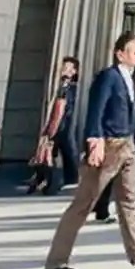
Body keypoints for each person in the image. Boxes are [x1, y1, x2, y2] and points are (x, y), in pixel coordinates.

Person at [45, 33, 135, 269]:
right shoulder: (109, 77)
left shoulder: (131, 79)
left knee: (130, 203)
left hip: (128, 144)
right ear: (120, 53)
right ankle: (56, 261)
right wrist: (95, 139)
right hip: (109, 145)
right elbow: (97, 108)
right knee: (84, 203)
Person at [94, 74, 135, 223]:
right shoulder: (122, 94)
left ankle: (125, 207)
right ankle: (101, 208)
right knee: (110, 174)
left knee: (132, 175)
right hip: (120, 138)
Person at [28, 56, 80, 195]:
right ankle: (43, 180)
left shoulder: (72, 88)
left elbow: (65, 108)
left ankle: (65, 180)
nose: (65, 70)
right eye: (64, 67)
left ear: (74, 71)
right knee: (47, 153)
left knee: (65, 153)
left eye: (68, 68)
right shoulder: (59, 86)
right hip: (57, 125)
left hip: (63, 125)